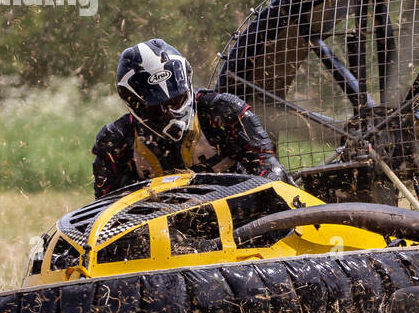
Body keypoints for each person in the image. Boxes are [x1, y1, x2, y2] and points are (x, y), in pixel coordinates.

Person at [92, 38, 288, 198]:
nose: (170, 114)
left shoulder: (222, 111)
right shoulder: (115, 141)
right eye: (156, 108)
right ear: (134, 104)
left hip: (241, 222)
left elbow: (270, 171)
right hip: (161, 235)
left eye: (176, 100)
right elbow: (106, 208)